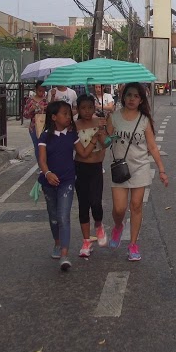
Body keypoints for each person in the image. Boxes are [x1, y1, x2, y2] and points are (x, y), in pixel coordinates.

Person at [107, 82, 168, 261]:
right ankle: (118, 225)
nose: (132, 99)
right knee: (119, 208)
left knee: (136, 205)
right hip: (119, 168)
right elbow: (105, 142)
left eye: (136, 96)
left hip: (140, 167)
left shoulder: (144, 120)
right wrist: (104, 130)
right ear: (123, 97)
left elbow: (152, 147)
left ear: (141, 100)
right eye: (129, 95)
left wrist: (162, 170)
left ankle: (133, 244)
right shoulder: (114, 117)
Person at [36, 100, 95, 272]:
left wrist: (95, 139)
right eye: (65, 114)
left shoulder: (71, 135)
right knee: (53, 217)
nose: (69, 117)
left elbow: (82, 152)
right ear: (54, 117)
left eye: (69, 114)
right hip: (48, 183)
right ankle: (57, 242)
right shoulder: (45, 136)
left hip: (67, 182)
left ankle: (64, 254)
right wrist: (48, 173)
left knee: (63, 217)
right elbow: (42, 160)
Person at [73, 94, 109, 257]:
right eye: (83, 108)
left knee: (96, 202)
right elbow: (80, 152)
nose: (87, 111)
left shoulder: (99, 122)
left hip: (96, 168)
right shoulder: (74, 126)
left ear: (94, 108)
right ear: (78, 109)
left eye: (90, 107)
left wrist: (102, 131)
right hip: (80, 167)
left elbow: (107, 144)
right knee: (83, 205)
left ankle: (99, 225)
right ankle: (86, 241)